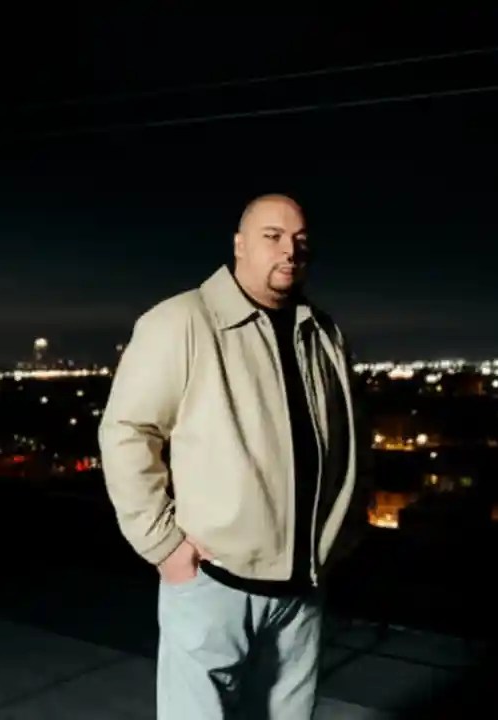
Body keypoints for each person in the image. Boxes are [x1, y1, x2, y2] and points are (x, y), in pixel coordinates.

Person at [99, 194, 371, 718]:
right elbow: (127, 431)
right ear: (239, 245)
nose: (289, 251)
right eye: (272, 237)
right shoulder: (182, 321)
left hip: (301, 591)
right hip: (213, 583)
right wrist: (164, 546)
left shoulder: (323, 333)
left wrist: (345, 532)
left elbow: (353, 437)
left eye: (300, 241)